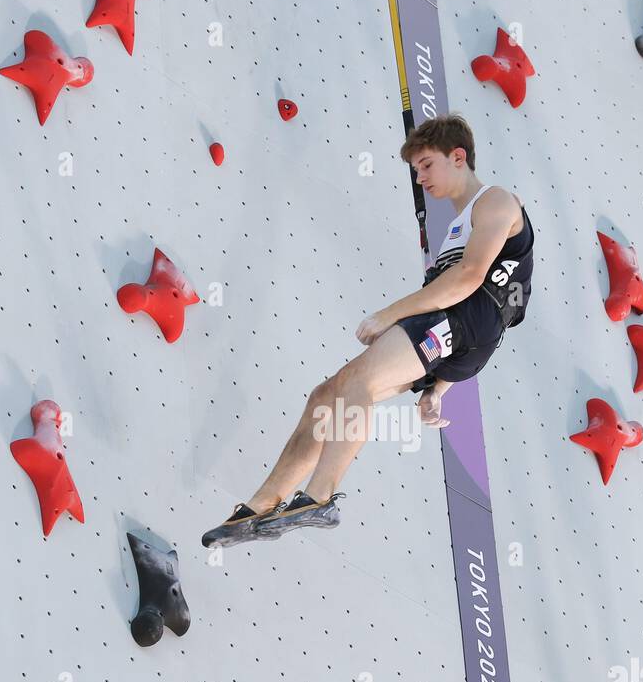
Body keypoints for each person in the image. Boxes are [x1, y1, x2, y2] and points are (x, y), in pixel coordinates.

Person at [202, 113, 534, 548]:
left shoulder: (496, 201)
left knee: (360, 380)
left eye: (427, 165)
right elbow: (469, 319)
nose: (420, 177)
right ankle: (263, 503)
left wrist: (389, 314)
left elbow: (472, 278)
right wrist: (438, 390)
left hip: (466, 314)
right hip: (461, 330)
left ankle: (320, 498)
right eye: (415, 171)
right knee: (326, 396)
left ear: (458, 157)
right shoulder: (458, 226)